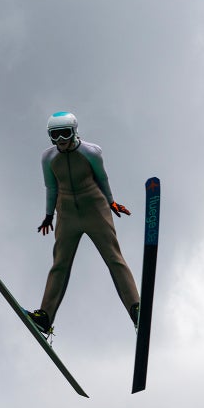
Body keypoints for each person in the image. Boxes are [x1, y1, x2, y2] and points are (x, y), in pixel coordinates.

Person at [26, 112, 140, 336]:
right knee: (59, 264)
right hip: (67, 214)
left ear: (74, 132)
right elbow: (51, 187)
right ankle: (45, 317)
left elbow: (102, 178)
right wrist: (49, 215)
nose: (60, 140)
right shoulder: (48, 158)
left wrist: (111, 202)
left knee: (114, 258)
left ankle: (136, 309)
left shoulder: (91, 152)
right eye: (55, 135)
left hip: (94, 210)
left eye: (64, 134)